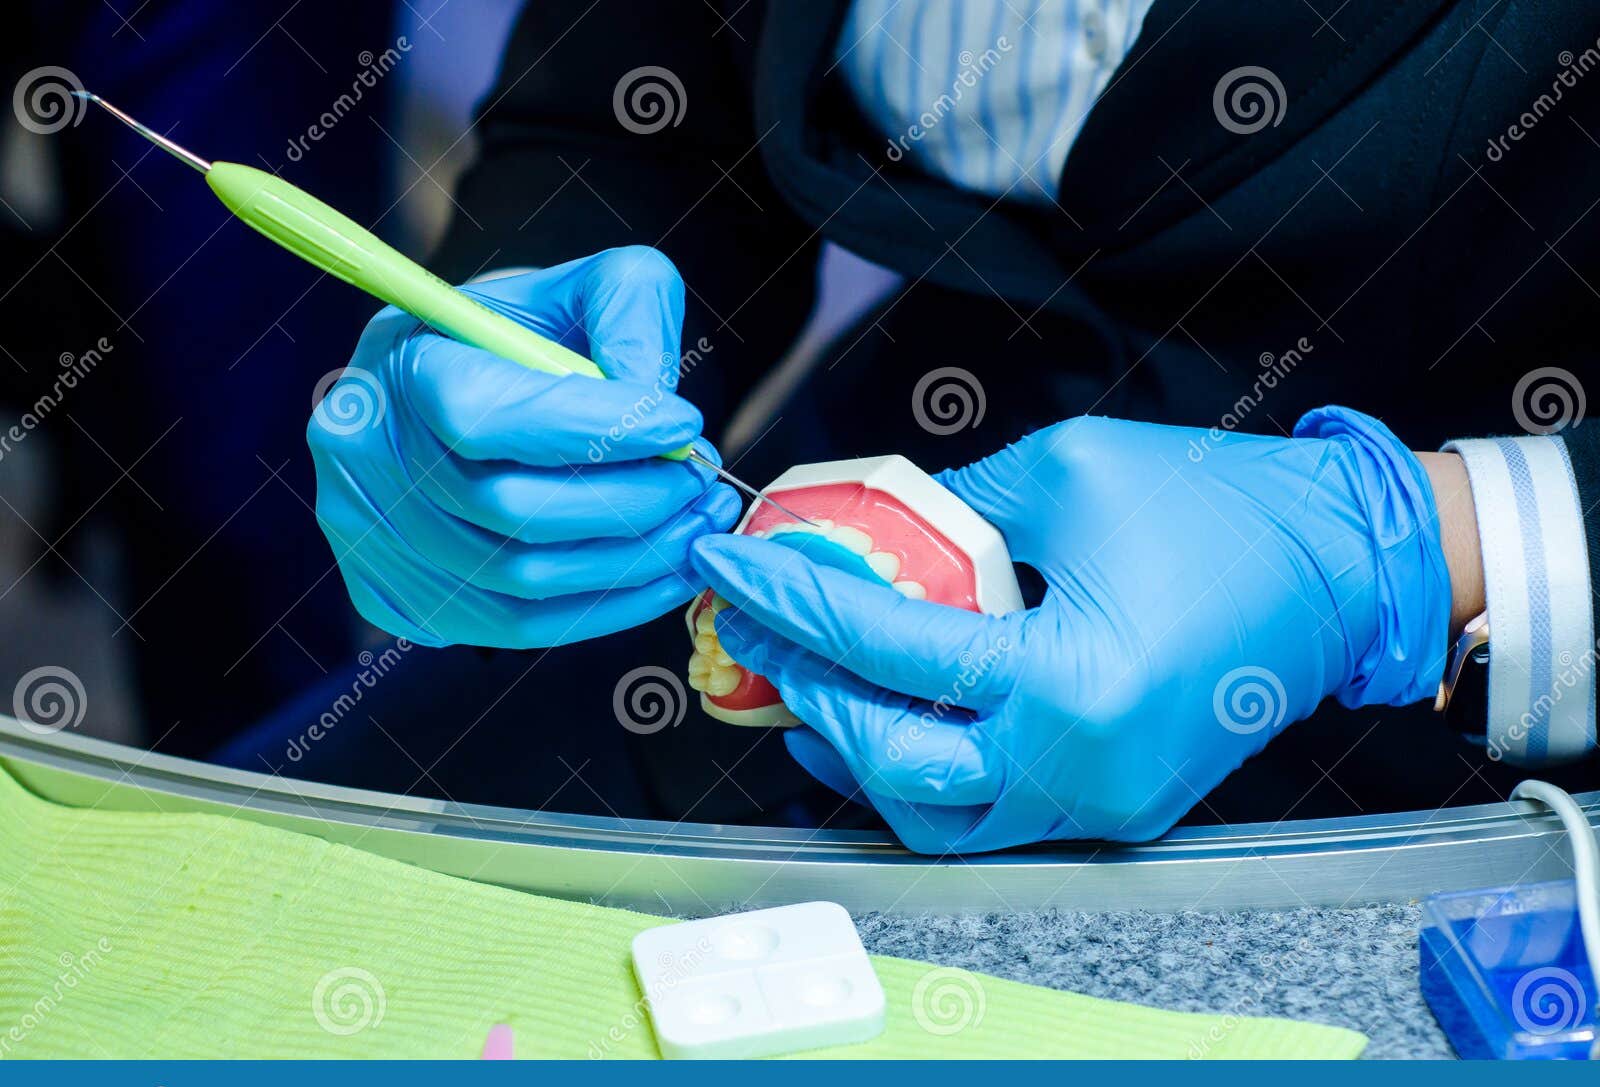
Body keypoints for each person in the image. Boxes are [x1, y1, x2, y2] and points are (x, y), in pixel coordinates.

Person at [249, 1, 1600, 852]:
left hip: (1467, 796)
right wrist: (515, 373)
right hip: (793, 643)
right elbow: (648, 96)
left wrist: (1419, 545)